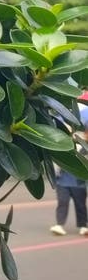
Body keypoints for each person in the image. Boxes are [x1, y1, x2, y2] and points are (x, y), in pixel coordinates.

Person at [50, 96, 88, 236]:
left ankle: (83, 225)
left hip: (78, 182)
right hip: (62, 181)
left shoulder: (85, 148)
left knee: (80, 204)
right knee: (62, 202)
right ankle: (59, 224)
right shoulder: (66, 144)